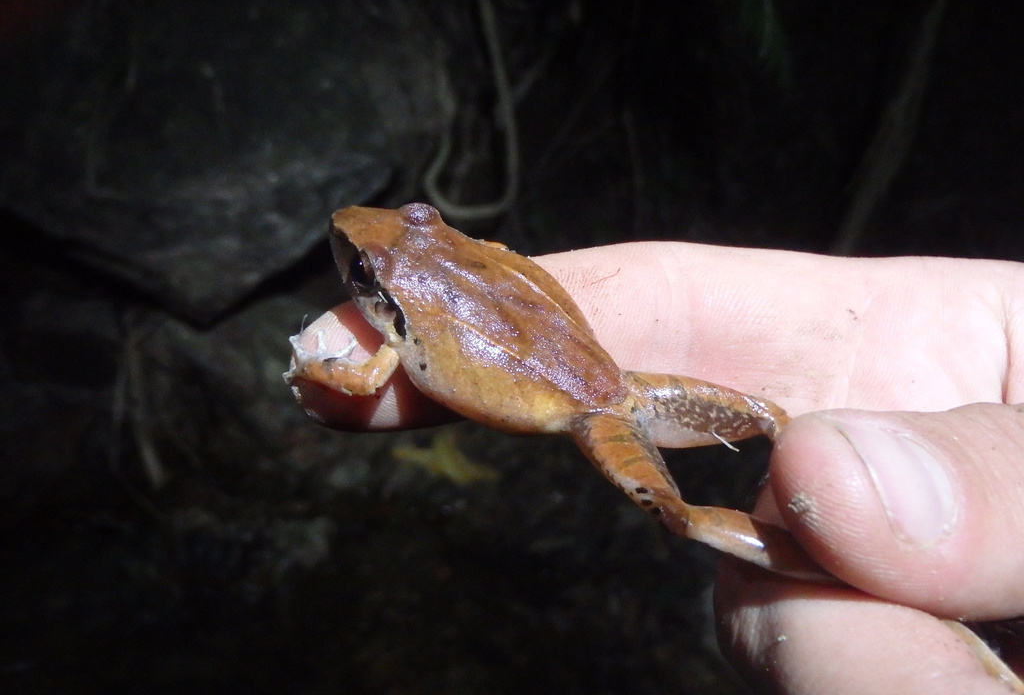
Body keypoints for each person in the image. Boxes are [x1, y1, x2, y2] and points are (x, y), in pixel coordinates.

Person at [291, 240, 1024, 694]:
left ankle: (832, 552)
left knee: (688, 507)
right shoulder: (417, 314)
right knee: (736, 450)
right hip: (618, 384)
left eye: (358, 270)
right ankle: (828, 541)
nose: (349, 260)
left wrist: (319, 370)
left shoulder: (390, 341)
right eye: (365, 268)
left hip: (601, 402)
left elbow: (358, 379)